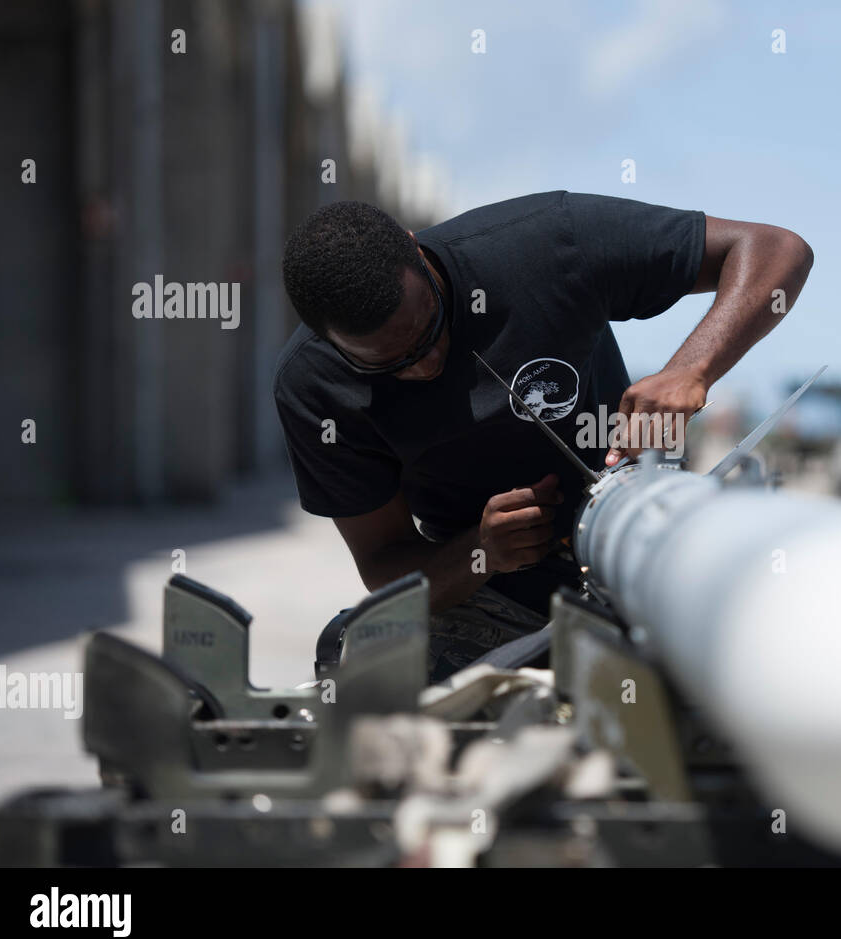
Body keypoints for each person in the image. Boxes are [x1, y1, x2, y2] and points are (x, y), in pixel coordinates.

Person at [275, 192, 812, 681]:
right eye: (389, 365)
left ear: (416, 251)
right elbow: (385, 567)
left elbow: (776, 249)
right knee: (369, 675)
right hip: (493, 602)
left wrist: (691, 369)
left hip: (645, 557)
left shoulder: (549, 245)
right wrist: (480, 552)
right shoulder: (314, 387)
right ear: (327, 343)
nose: (428, 364)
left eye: (430, 329)